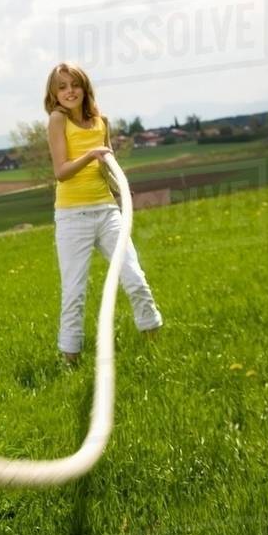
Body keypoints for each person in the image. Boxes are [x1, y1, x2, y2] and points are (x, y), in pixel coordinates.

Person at [44, 62, 163, 365]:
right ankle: (70, 359)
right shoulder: (57, 120)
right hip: (73, 217)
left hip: (108, 211)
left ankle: (154, 344)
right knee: (74, 291)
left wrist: (121, 190)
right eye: (62, 87)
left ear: (85, 87)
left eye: (75, 84)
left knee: (135, 278)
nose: (70, 91)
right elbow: (61, 172)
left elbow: (106, 166)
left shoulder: (101, 122)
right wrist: (90, 155)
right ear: (54, 94)